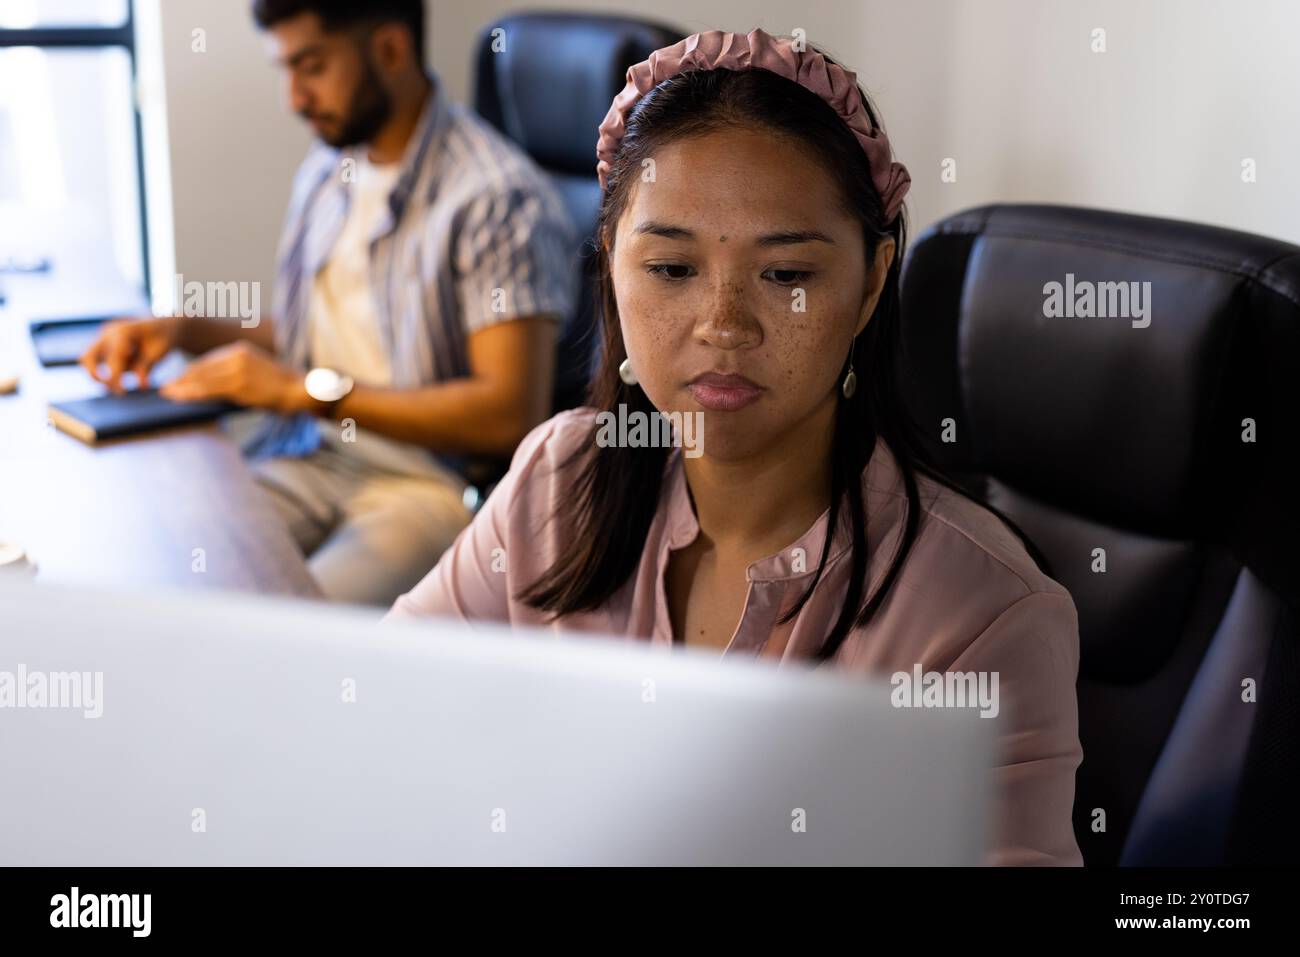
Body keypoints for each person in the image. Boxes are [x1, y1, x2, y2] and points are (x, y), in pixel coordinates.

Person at [385, 28, 1084, 866]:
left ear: (869, 284)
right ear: (609, 262)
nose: (723, 325)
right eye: (672, 269)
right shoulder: (555, 480)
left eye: (786, 276)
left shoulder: (986, 617)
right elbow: (388, 726)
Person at [79, 0, 577, 606]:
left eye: (310, 67)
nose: (294, 96)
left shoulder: (495, 198)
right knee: (169, 567)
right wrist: (185, 332)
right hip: (306, 453)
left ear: (391, 51)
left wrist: (300, 391)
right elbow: (315, 337)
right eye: (284, 69)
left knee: (285, 632)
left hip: (419, 485)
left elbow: (508, 414)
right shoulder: (329, 166)